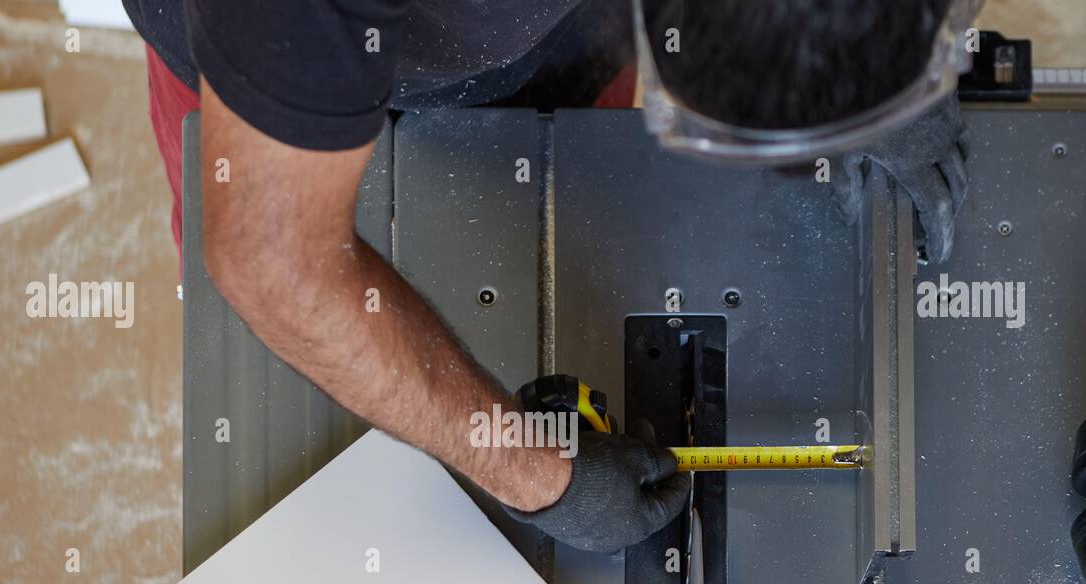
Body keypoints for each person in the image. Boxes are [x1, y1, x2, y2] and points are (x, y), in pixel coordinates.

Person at [123, 0, 980, 553]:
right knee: (284, 378)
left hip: (546, 40)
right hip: (263, 87)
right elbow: (279, 268)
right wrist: (532, 472)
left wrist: (880, 67)